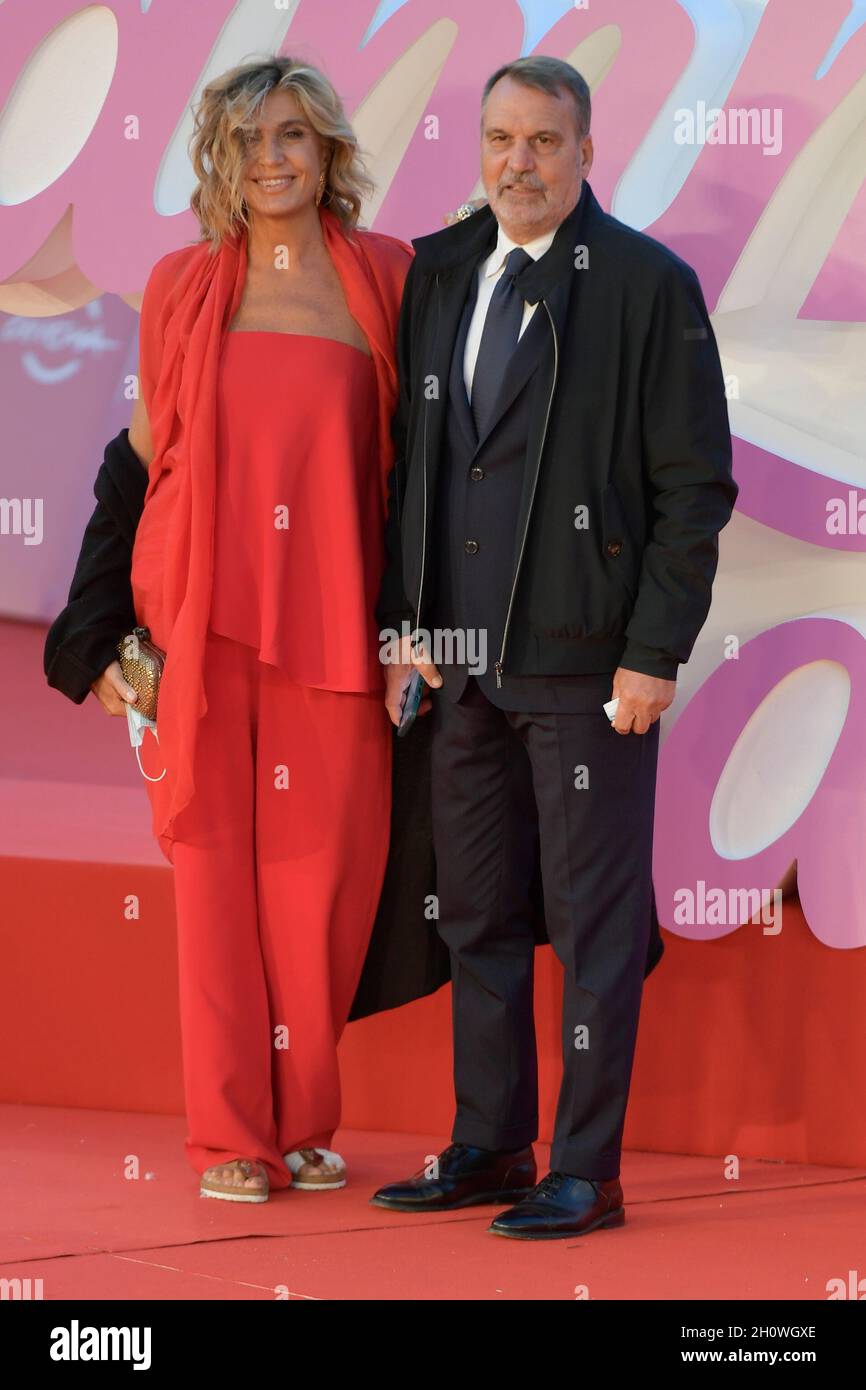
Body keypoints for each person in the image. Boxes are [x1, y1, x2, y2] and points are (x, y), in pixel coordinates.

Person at [46, 55, 423, 1204]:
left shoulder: (388, 278)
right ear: (221, 155)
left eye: (294, 137)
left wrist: (422, 625)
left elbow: (424, 470)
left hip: (335, 635)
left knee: (323, 895)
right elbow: (138, 466)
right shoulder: (182, 285)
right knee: (215, 895)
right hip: (196, 638)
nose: (272, 158)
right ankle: (228, 1139)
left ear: (328, 153)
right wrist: (97, 629)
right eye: (250, 139)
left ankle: (303, 1123)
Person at [372, 57, 738, 1239]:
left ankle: (585, 1166)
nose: (516, 163)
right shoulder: (436, 272)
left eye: (542, 140)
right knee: (472, 911)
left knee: (590, 925)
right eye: (498, 138)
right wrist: (405, 624)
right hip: (458, 660)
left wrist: (654, 652)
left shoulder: (644, 284)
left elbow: (692, 488)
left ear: (587, 150)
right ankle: (487, 1142)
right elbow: (414, 470)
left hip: (588, 666)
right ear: (476, 146)